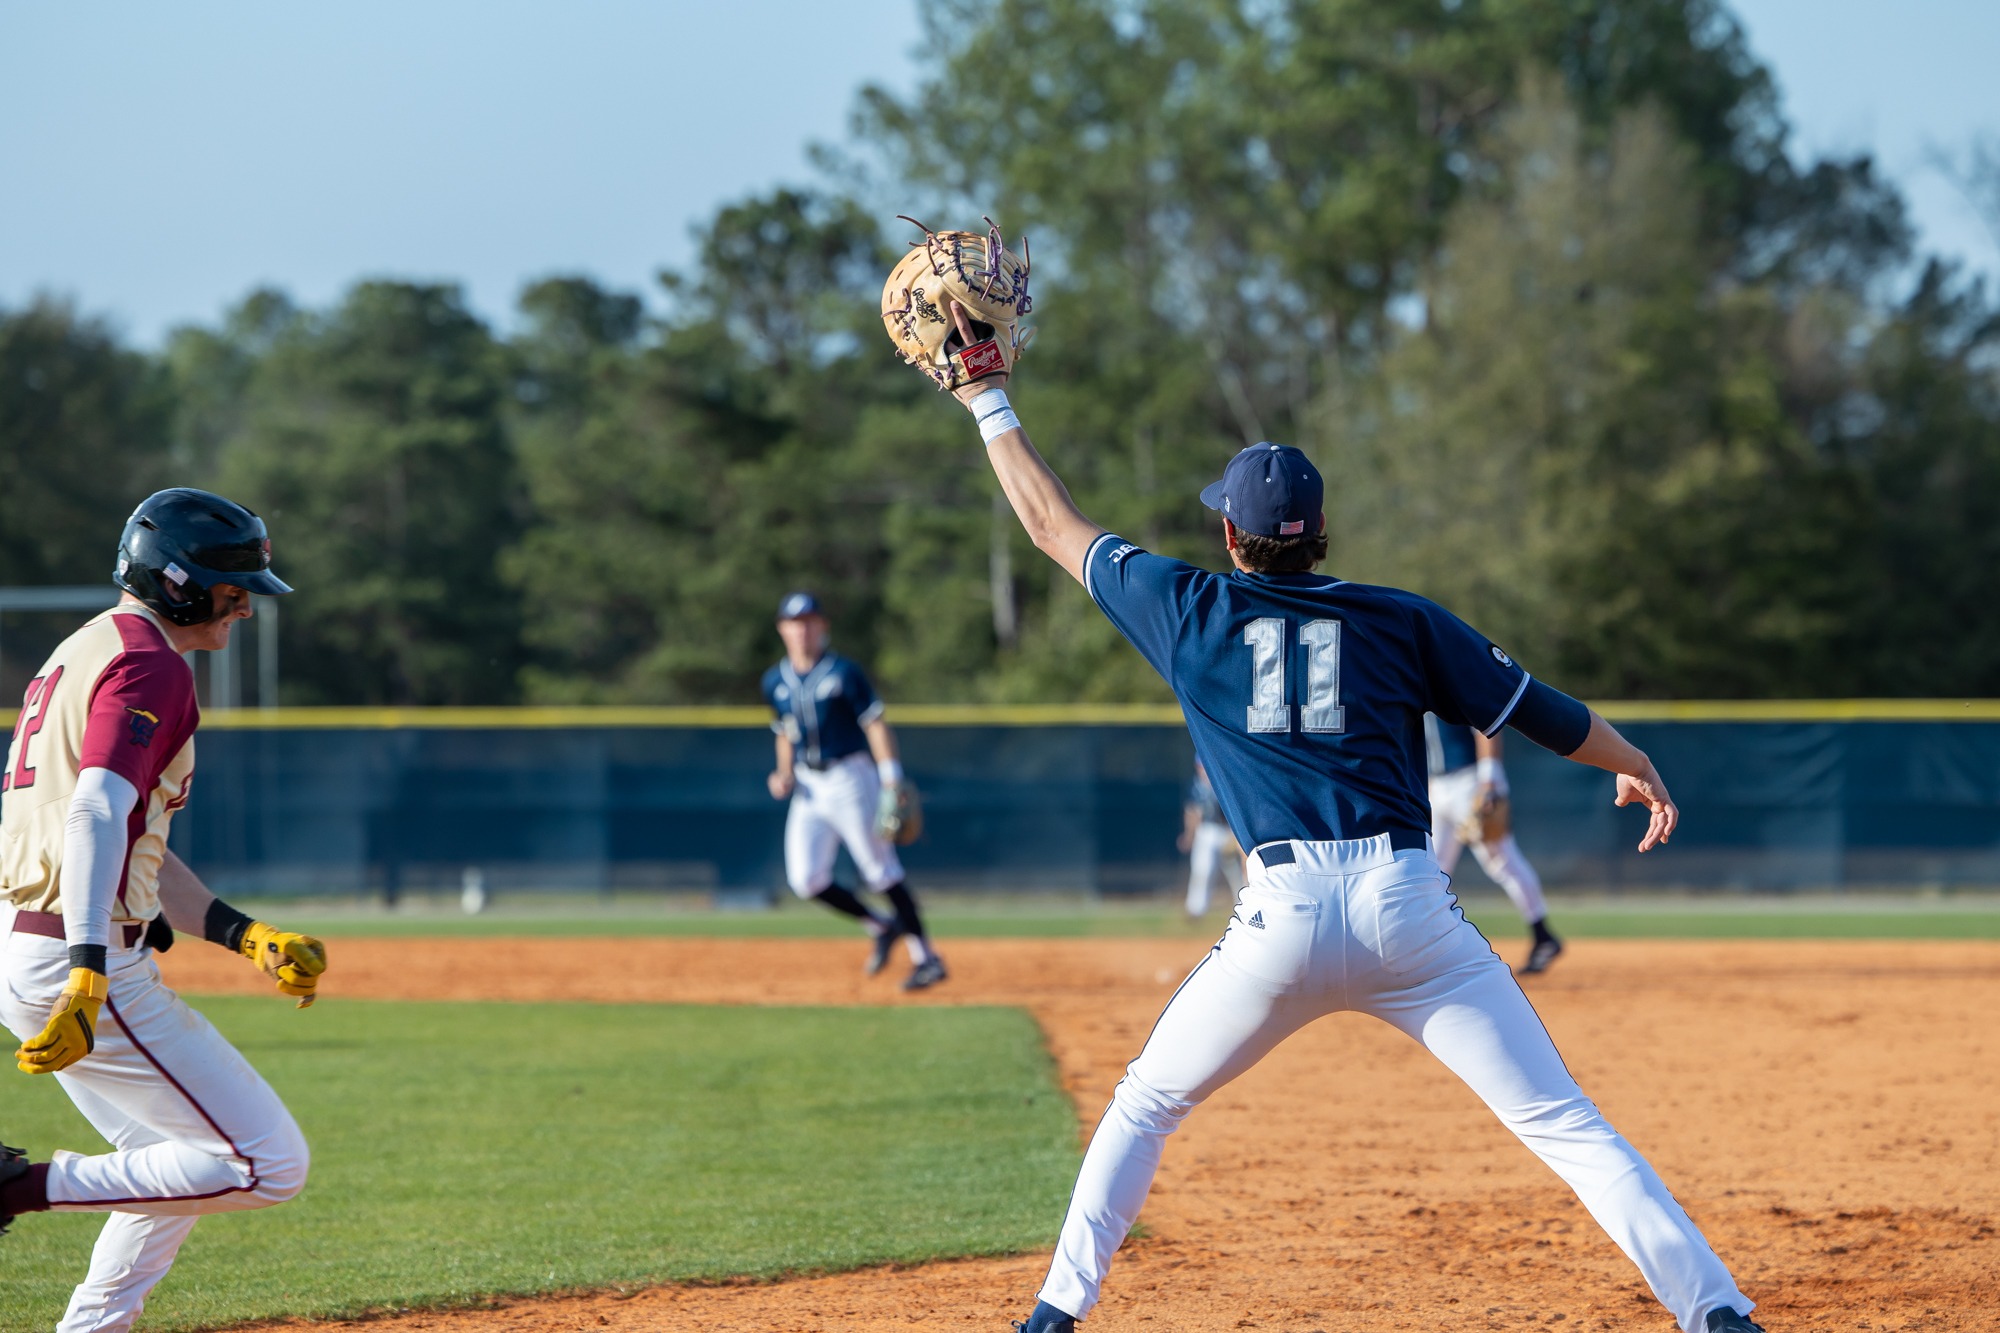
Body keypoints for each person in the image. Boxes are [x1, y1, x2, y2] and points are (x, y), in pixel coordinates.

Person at [935, 338, 1764, 1333]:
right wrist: (1630, 760)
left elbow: (1045, 521)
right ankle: (1714, 1310)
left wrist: (986, 395)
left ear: (1231, 539)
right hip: (1408, 912)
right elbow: (1537, 709)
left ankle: (1054, 1313)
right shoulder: (1398, 620)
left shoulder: (1184, 605)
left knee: (1145, 1105)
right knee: (1561, 1124)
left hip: (1277, 922)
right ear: (1320, 531)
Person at [0, 489, 329, 1333]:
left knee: (170, 1165)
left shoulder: (86, 649)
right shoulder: (151, 663)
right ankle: (17, 1186)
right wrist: (88, 971)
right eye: (232, 583)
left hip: (30, 941)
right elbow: (97, 815)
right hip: (76, 953)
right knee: (265, 1163)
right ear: (177, 581)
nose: (245, 602)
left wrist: (241, 933)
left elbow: (128, 832)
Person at [761, 592, 946, 990]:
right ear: (782, 629)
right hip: (808, 785)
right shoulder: (775, 681)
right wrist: (783, 773)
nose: (802, 629)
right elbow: (784, 733)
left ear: (823, 626)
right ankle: (881, 925)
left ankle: (926, 958)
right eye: (794, 622)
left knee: (881, 871)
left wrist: (892, 779)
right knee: (806, 879)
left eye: (810, 621)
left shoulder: (843, 672)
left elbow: (875, 724)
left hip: (850, 778)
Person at [1426, 713, 1564, 973]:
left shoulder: (1446, 676)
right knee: (1433, 868)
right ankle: (1430, 948)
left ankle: (1543, 935)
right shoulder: (1411, 682)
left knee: (1501, 860)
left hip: (1470, 781)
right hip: (1436, 785)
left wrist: (1490, 780)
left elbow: (1485, 727)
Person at [1176, 760, 1240, 918]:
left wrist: (1235, 836)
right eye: (1200, 766)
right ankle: (1195, 910)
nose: (1202, 769)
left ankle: (1243, 907)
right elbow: (1192, 813)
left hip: (1227, 831)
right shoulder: (1195, 786)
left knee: (1235, 872)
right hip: (1206, 831)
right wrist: (1189, 835)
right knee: (1202, 870)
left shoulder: (1223, 782)